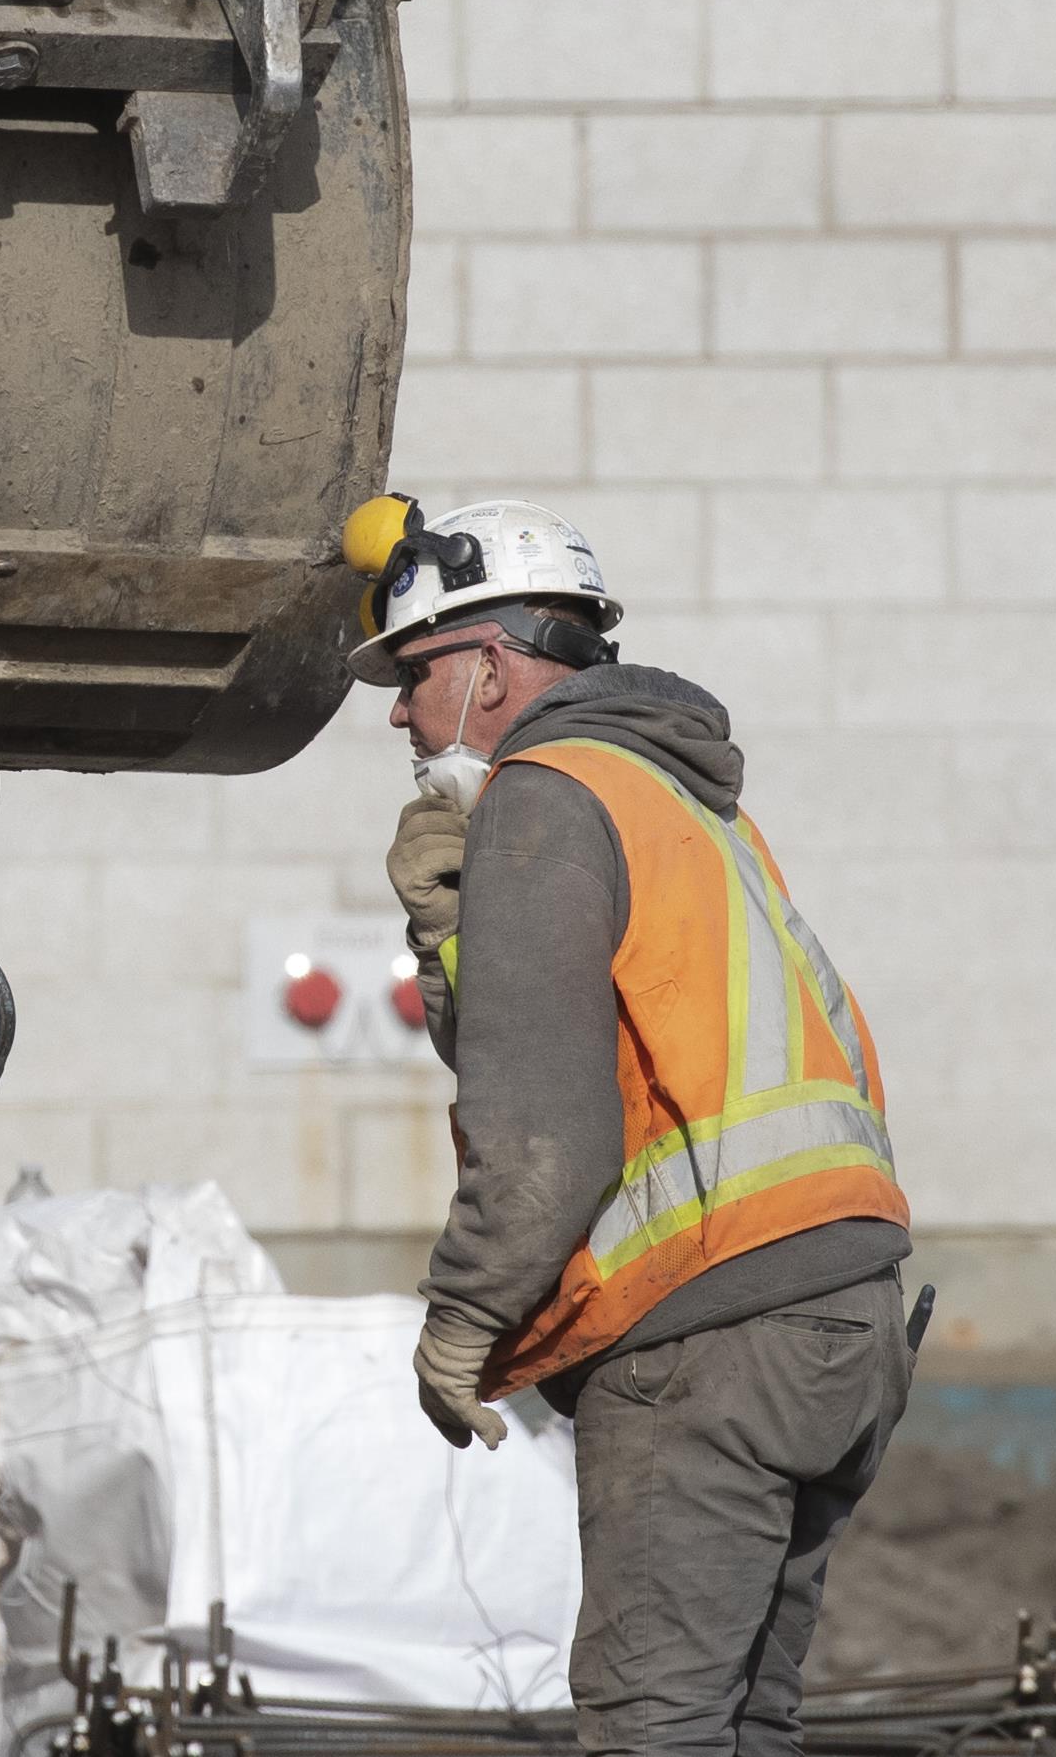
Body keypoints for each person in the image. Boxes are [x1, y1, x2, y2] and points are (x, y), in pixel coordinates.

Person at [358, 495, 913, 1757]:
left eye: (411, 674)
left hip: (708, 1337)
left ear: (489, 664)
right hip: (840, 1319)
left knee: (650, 1724)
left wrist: (460, 1319)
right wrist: (451, 935)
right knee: (740, 1723)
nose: (395, 712)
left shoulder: (546, 794)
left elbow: (544, 1127)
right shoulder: (681, 796)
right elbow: (593, 1039)